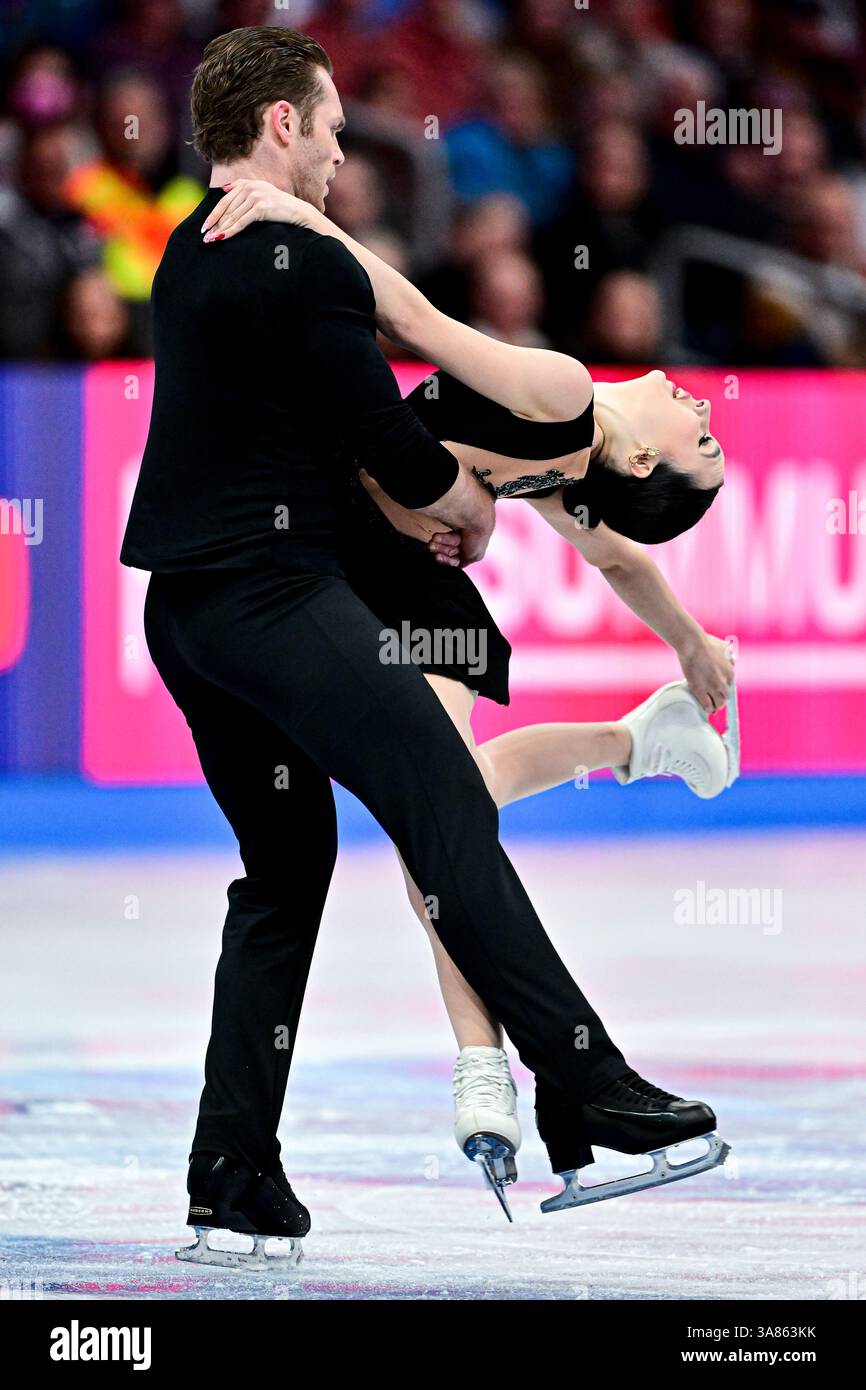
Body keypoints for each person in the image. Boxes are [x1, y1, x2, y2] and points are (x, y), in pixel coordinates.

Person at [122, 27, 729, 1266]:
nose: (347, 147)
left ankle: (232, 1171)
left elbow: (358, 405)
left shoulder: (193, 246)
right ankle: (589, 1084)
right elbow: (398, 452)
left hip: (185, 612)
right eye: (333, 123)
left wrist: (458, 503)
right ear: (280, 123)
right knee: (447, 808)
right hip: (277, 599)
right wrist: (465, 509)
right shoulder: (295, 254)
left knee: (284, 876)